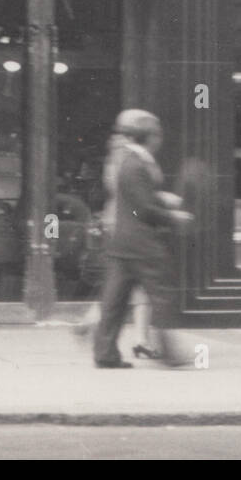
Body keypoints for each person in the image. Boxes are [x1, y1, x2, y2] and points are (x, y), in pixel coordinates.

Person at [92, 110, 192, 369]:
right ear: (150, 137)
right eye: (157, 134)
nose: (160, 139)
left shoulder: (129, 162)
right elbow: (142, 208)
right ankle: (170, 354)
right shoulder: (136, 164)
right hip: (142, 243)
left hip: (123, 242)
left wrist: (160, 199)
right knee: (163, 295)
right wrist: (173, 217)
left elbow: (137, 199)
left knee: (114, 301)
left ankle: (105, 354)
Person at [74, 132, 161, 359]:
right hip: (129, 228)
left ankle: (92, 322)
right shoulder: (130, 164)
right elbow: (140, 200)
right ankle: (141, 340)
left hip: (115, 225)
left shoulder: (113, 164)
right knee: (135, 287)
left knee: (120, 286)